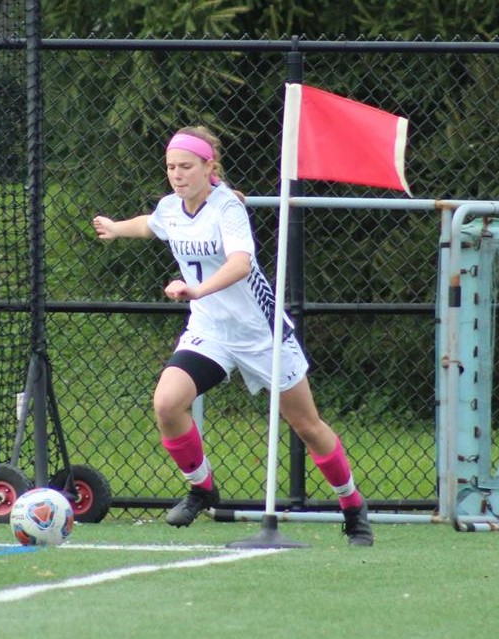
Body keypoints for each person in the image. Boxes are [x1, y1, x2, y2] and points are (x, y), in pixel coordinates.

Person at [92, 126, 374, 546]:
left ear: (209, 167)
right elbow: (151, 225)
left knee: (307, 425)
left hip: (261, 333)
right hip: (210, 331)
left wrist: (197, 290)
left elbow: (241, 264)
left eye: (186, 166)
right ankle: (202, 489)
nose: (177, 174)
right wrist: (117, 228)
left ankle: (352, 506)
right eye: (171, 167)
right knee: (167, 404)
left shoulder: (228, 208)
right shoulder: (170, 208)